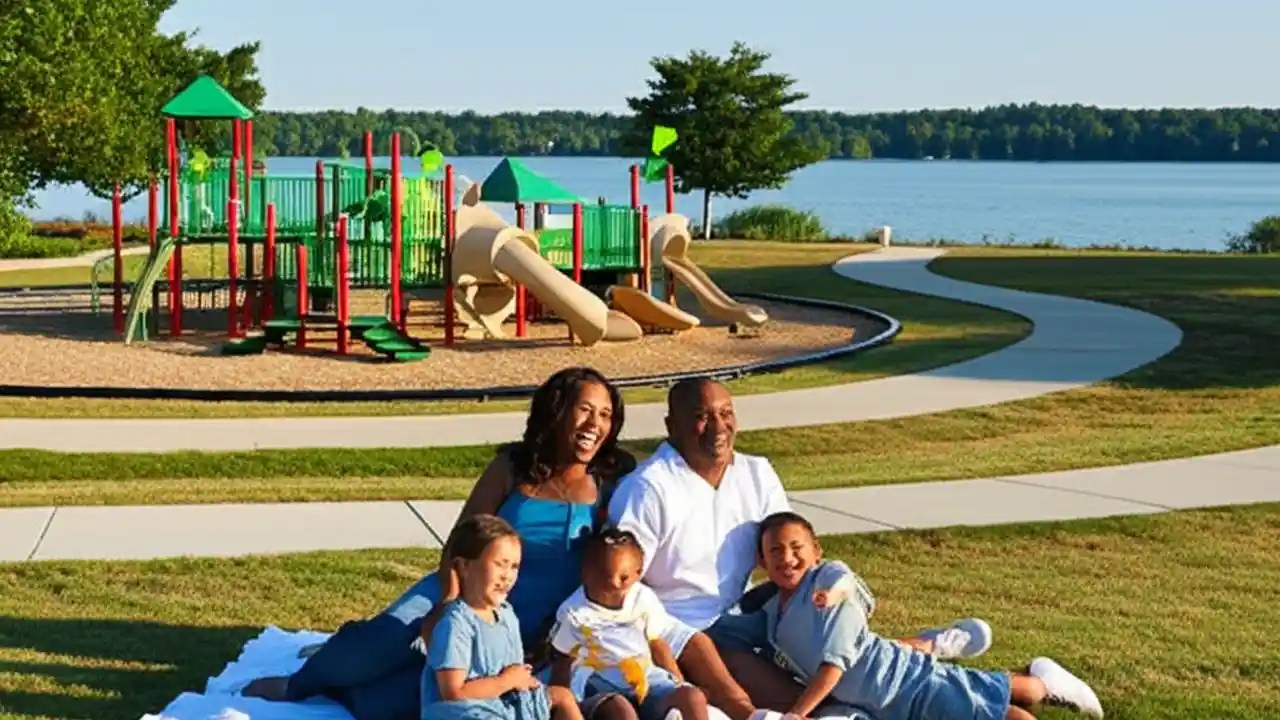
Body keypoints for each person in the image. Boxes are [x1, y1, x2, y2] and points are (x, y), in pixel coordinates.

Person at [243, 367, 643, 720]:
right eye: (585, 409)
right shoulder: (512, 467)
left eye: (606, 414)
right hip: (456, 590)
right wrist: (450, 606)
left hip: (514, 626)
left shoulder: (609, 482)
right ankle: (301, 681)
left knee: (401, 702)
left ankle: (345, 686)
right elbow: (459, 541)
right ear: (557, 412)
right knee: (378, 646)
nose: (596, 423)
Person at [607, 378, 993, 712]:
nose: (718, 426)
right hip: (685, 627)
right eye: (702, 415)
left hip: (752, 612)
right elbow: (621, 585)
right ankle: (929, 655)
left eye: (726, 412)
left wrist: (817, 602)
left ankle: (929, 649)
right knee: (825, 697)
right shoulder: (648, 489)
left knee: (844, 653)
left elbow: (792, 550)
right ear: (671, 425)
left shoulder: (756, 473)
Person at [744, 512, 1105, 720]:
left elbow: (843, 586)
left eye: (796, 547)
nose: (786, 557)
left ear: (816, 550)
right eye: (774, 550)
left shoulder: (825, 579)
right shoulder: (773, 614)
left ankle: (1044, 680)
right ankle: (1030, 677)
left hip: (907, 681)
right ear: (761, 561)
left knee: (993, 709)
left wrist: (796, 714)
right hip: (880, 704)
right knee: (984, 694)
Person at [421, 513, 582, 720]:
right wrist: (506, 681)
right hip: (469, 712)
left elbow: (513, 670)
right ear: (464, 566)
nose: (507, 575)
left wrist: (523, 680)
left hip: (506, 704)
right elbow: (454, 693)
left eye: (514, 566)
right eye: (499, 564)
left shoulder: (506, 615)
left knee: (561, 696)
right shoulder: (456, 624)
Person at [549, 528, 709, 720]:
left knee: (692, 697)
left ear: (638, 573)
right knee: (622, 711)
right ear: (585, 573)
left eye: (624, 578)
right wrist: (562, 706)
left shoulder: (643, 599)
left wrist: (678, 683)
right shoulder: (574, 613)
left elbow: (657, 644)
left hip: (645, 678)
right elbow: (563, 660)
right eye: (604, 576)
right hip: (600, 683)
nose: (615, 583)